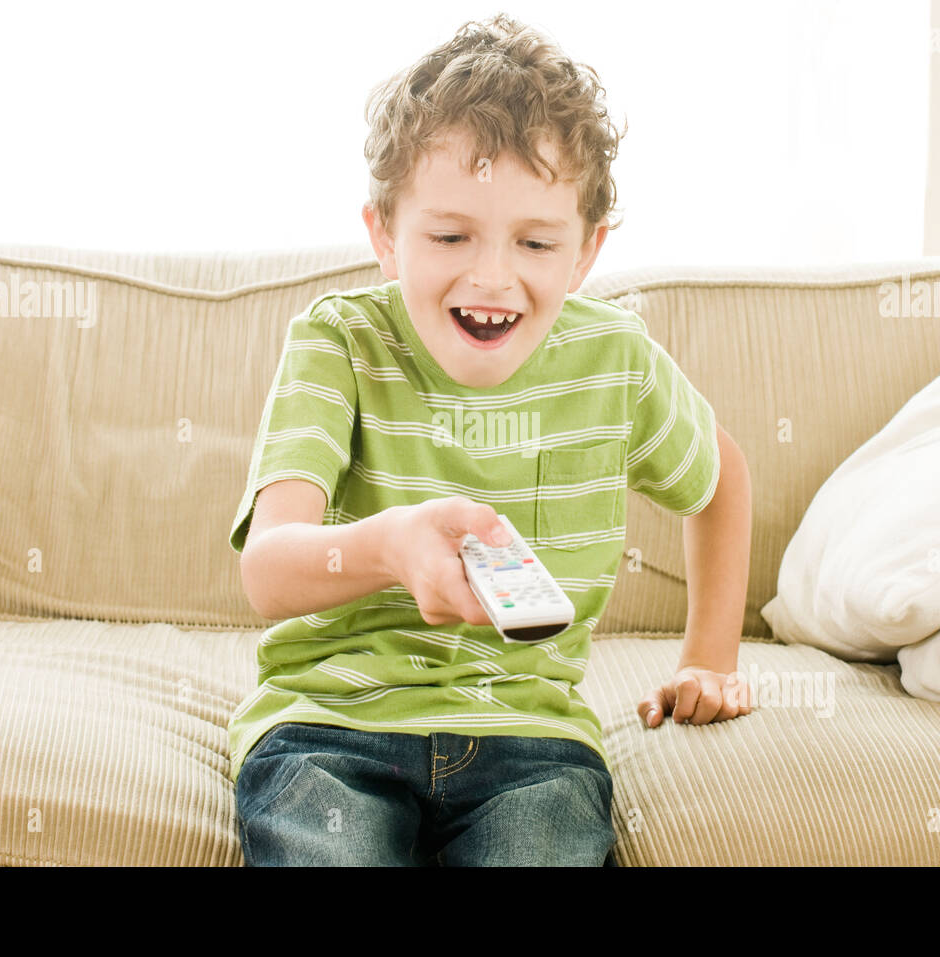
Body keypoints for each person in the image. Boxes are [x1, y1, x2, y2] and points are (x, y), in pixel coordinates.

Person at [229, 12, 752, 867]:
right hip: (331, 729)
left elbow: (721, 474)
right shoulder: (338, 343)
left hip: (531, 742)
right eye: (448, 235)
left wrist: (709, 657)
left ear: (586, 254)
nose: (491, 276)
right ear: (383, 235)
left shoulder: (612, 359)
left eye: (536, 242)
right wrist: (391, 547)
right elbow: (268, 567)